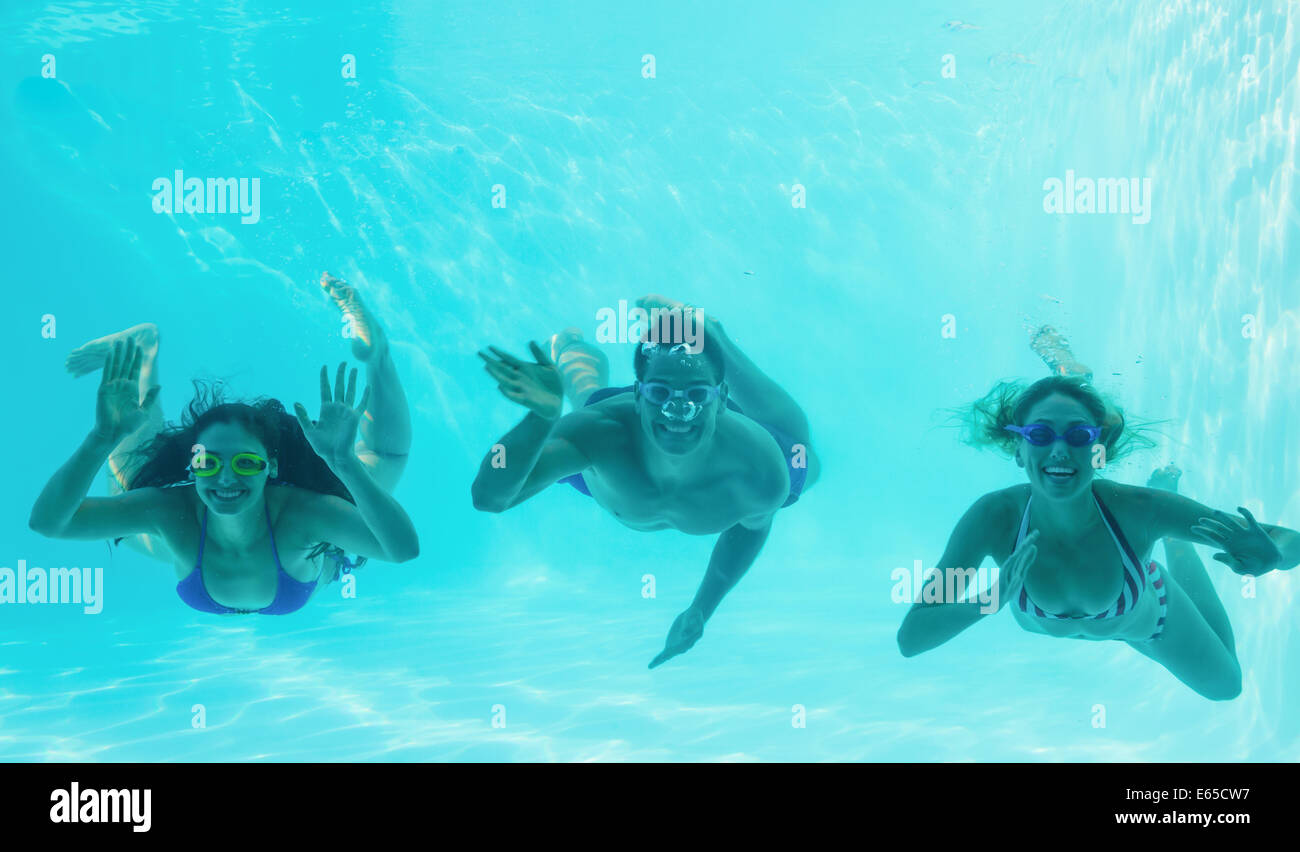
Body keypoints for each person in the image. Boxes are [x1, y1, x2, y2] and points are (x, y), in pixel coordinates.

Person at [897, 344, 1297, 700]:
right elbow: (912, 637)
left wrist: (1273, 556)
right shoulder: (991, 518)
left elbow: (1287, 540)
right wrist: (988, 602)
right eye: (1038, 434)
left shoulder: (1142, 508)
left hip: (1147, 619)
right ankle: (1075, 381)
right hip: (1112, 615)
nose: (1058, 450)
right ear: (1018, 450)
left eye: (1078, 436)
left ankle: (1178, 543)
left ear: (1099, 450)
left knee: (1226, 687)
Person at [28, 273, 419, 614]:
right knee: (131, 478)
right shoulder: (169, 512)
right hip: (190, 545)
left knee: (385, 457)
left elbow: (402, 551)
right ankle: (141, 351)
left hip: (273, 553)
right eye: (208, 463)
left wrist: (344, 463)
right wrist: (100, 439)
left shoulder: (306, 515)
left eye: (247, 463)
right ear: (191, 465)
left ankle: (378, 353)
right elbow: (48, 523)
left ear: (272, 466)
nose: (226, 479)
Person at [472, 294, 821, 667]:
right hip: (614, 459)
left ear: (720, 400)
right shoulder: (599, 435)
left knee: (803, 454)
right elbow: (490, 498)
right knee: (586, 402)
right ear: (638, 395)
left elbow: (752, 528)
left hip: (697, 440)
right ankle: (586, 347)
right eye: (659, 394)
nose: (678, 409)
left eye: (698, 395)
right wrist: (541, 419)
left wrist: (701, 607)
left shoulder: (759, 468)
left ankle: (710, 335)